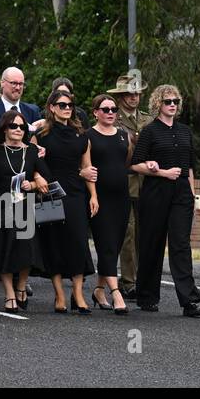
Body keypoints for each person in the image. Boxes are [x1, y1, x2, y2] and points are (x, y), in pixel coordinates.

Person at [130, 84, 200, 317]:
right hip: (156, 192)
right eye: (167, 102)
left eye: (175, 102)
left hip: (182, 192)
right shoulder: (150, 131)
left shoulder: (185, 131)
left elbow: (190, 166)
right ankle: (147, 296)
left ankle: (189, 300)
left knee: (180, 244)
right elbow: (135, 164)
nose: (172, 105)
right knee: (152, 243)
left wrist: (192, 194)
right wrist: (160, 171)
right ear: (157, 105)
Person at [33, 89, 98, 314]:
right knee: (54, 243)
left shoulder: (81, 134)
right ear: (52, 108)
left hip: (76, 193)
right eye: (62, 105)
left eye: (70, 105)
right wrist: (37, 176)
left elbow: (87, 169)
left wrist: (94, 195)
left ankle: (78, 293)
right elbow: (31, 162)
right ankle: (59, 294)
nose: (67, 109)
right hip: (49, 192)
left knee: (78, 242)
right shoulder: (40, 133)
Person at [0, 111, 47, 311]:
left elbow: (46, 176)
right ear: (4, 128)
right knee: (5, 248)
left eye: (22, 127)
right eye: (14, 126)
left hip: (25, 205)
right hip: (2, 204)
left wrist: (34, 181)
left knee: (27, 248)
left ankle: (21, 285)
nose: (18, 130)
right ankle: (9, 293)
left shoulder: (31, 150)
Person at [86, 94, 133, 313]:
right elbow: (88, 171)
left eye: (113, 109)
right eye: (105, 109)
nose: (111, 113)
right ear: (96, 112)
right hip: (100, 198)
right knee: (105, 243)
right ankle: (116, 294)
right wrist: (93, 196)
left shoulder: (124, 136)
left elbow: (127, 163)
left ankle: (98, 289)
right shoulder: (88, 136)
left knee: (114, 244)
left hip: (122, 197)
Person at [108, 71, 151, 297]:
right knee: (128, 231)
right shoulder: (113, 119)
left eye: (137, 93)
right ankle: (128, 280)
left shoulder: (147, 120)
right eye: (129, 93)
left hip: (147, 183)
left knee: (145, 232)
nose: (134, 97)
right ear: (121, 96)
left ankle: (142, 278)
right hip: (123, 181)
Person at [0, 66, 43, 134]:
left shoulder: (33, 111)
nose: (18, 87)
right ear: (2, 83)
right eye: (14, 83)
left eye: (21, 84)